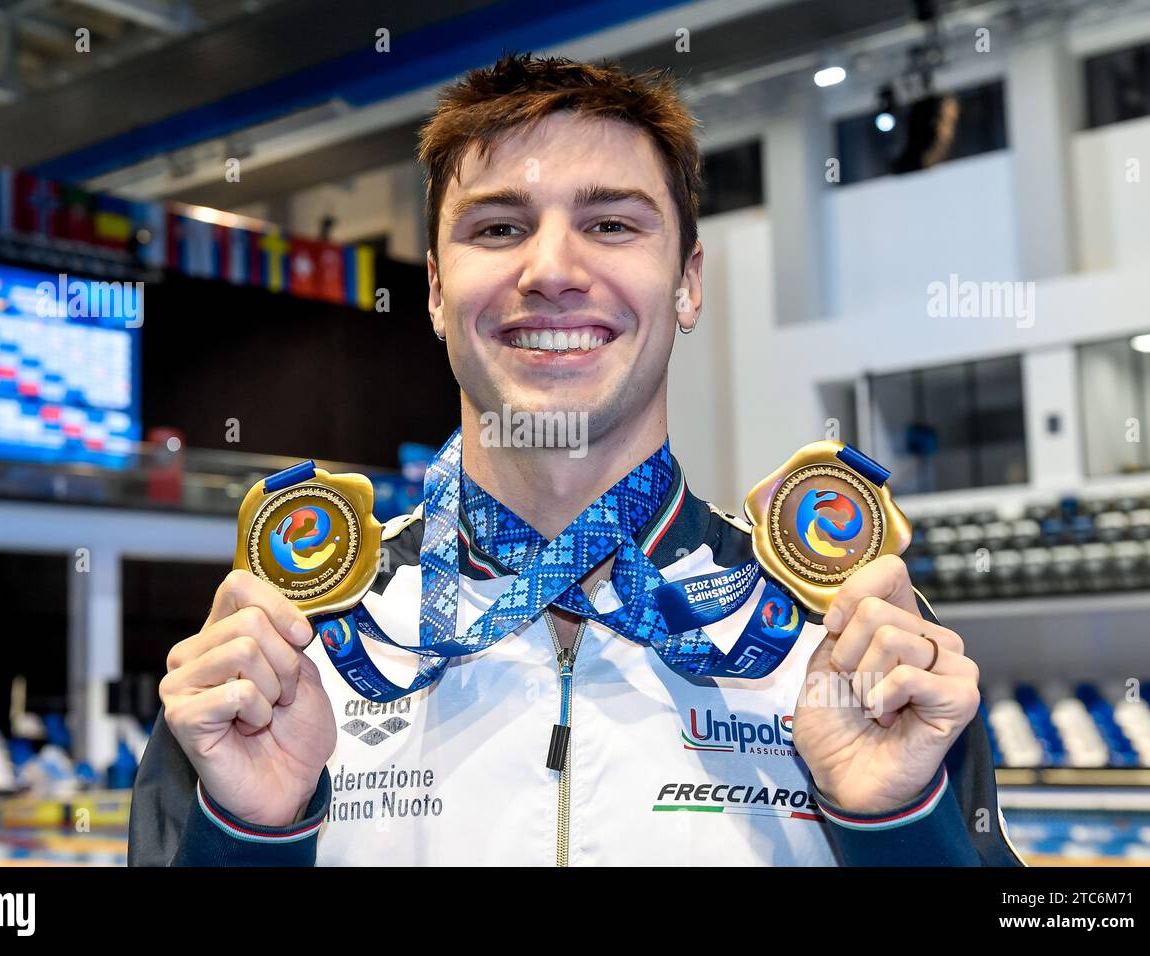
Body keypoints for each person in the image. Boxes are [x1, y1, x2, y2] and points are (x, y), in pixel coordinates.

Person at [128, 52, 1023, 866]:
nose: (551, 269)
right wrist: (248, 840)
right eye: (496, 229)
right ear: (437, 292)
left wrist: (899, 829)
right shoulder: (288, 644)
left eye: (611, 224)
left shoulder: (850, 639)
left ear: (688, 283)